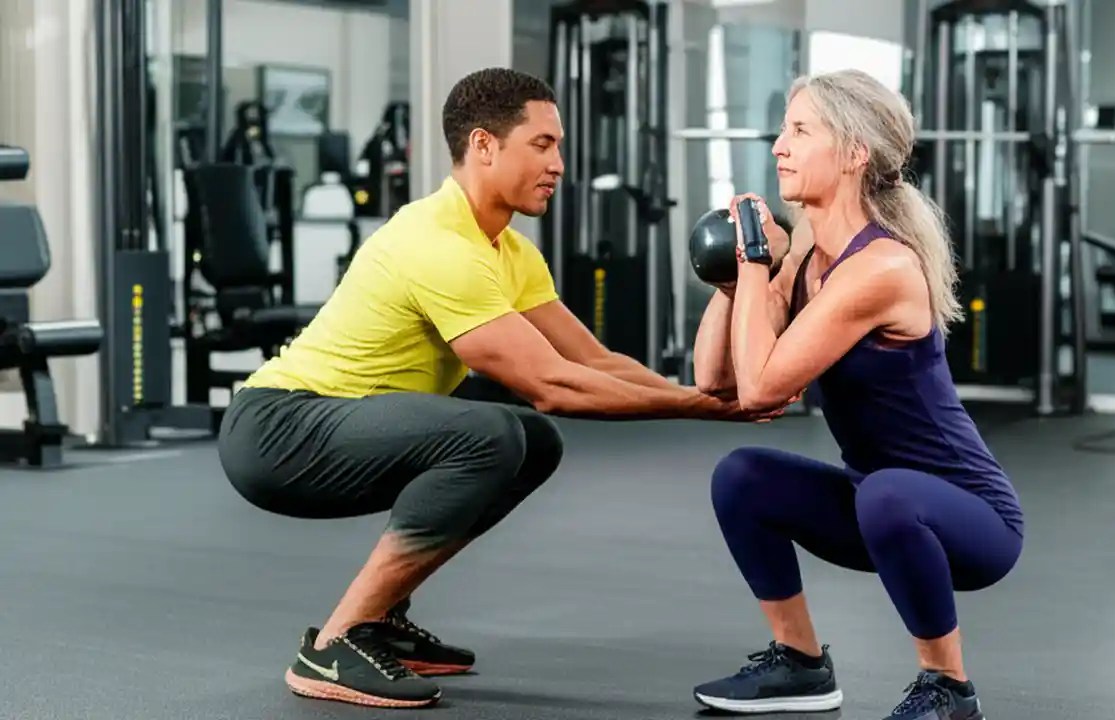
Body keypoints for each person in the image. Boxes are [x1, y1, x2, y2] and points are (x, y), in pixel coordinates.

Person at [217, 67, 784, 711]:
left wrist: (703, 395)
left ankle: (378, 621)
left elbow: (592, 360)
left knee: (533, 443)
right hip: (277, 430)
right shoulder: (436, 242)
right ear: (484, 145)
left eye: (559, 146)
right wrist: (705, 408)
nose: (560, 164)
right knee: (491, 433)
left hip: (341, 422)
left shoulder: (509, 252)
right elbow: (552, 385)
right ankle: (335, 642)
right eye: (542, 145)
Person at [688, 68, 1024, 720]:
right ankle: (800, 664)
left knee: (887, 492)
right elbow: (716, 380)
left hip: (972, 519)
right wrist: (741, 279)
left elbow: (760, 388)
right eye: (783, 129)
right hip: (878, 506)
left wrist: (758, 260)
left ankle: (949, 690)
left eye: (800, 129)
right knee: (743, 476)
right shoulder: (810, 258)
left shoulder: (881, 268)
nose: (779, 145)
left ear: (853, 153)